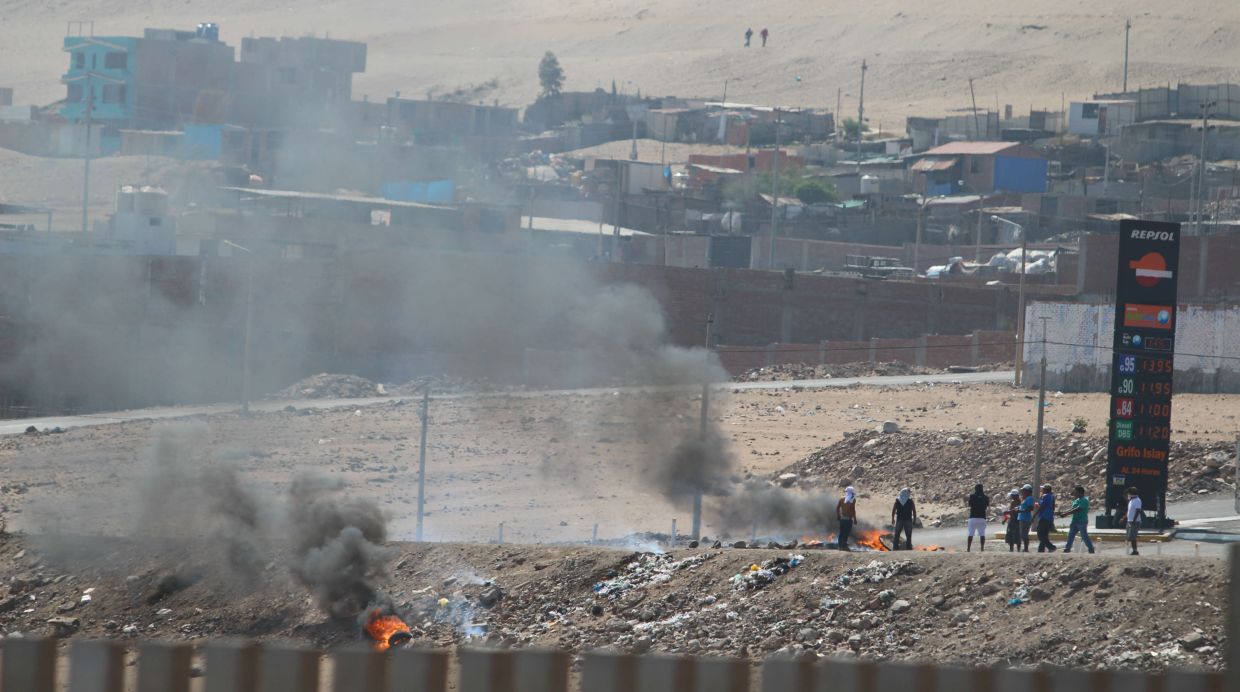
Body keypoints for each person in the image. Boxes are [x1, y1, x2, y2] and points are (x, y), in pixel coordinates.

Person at [1059, 485, 1095, 554]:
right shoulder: (1076, 500)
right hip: (1075, 520)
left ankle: (1091, 549)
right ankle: (1067, 548)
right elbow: (1072, 509)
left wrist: (1066, 514)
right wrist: (1064, 512)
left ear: (1080, 492)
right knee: (1071, 535)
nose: (1074, 493)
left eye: (1075, 491)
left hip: (1082, 520)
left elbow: (1078, 509)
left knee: (1084, 536)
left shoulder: (1084, 500)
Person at [1033, 484, 1057, 553]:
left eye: (1043, 489)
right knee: (1045, 535)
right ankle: (1041, 550)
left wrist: (1034, 514)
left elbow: (1042, 507)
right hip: (1049, 518)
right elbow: (1053, 508)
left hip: (1044, 517)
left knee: (1040, 534)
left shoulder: (1045, 496)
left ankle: (1051, 547)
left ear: (1046, 490)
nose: (1041, 490)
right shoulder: (1052, 497)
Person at [966, 483, 989, 552]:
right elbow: (986, 506)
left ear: (975, 489)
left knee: (970, 534)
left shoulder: (972, 496)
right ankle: (982, 548)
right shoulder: (986, 497)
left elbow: (969, 505)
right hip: (982, 517)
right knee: (982, 534)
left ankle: (968, 548)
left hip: (973, 517)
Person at [837, 486, 857, 551]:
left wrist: (838, 516)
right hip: (848, 520)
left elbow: (837, 508)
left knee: (841, 533)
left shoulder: (841, 499)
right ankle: (844, 546)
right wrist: (855, 519)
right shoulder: (853, 500)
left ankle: (840, 546)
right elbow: (853, 510)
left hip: (842, 519)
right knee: (846, 533)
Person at [1125, 487, 1144, 556]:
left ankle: (1135, 551)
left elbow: (1138, 510)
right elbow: (1130, 511)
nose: (1128, 494)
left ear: (1132, 493)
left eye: (1129, 493)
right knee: (1129, 536)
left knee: (1132, 537)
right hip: (1129, 521)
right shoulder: (1131, 500)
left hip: (1134, 522)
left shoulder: (1137, 500)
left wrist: (1134, 520)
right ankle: (1132, 550)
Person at [1016, 485, 1035, 552]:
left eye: (1023, 491)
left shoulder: (1029, 498)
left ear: (1027, 491)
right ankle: (1025, 548)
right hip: (1022, 518)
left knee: (1024, 534)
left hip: (1025, 518)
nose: (1022, 492)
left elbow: (1031, 508)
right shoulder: (1025, 498)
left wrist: (1021, 511)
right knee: (1022, 534)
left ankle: (1026, 548)